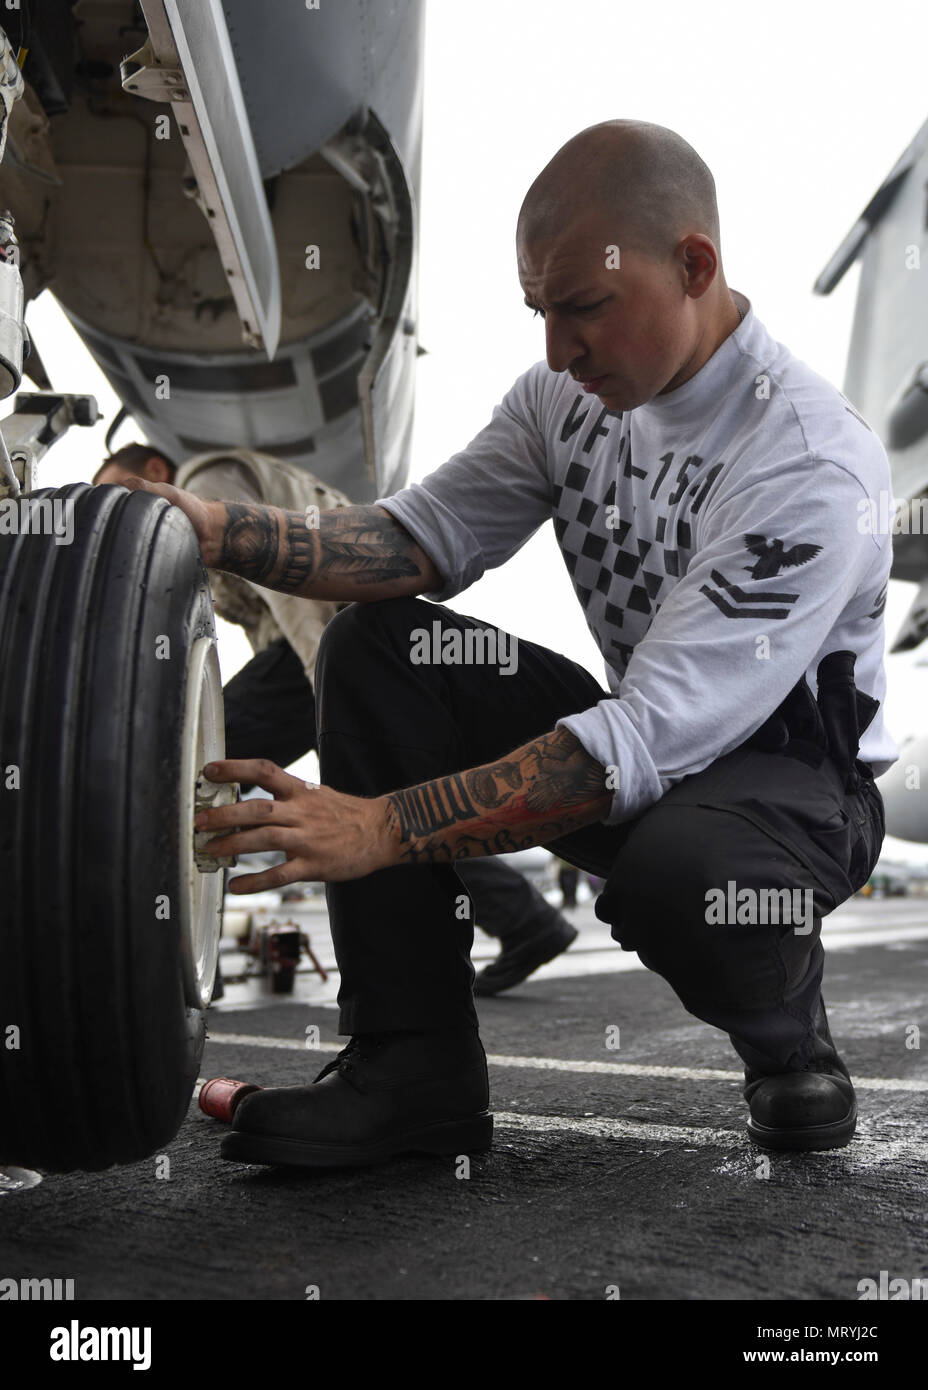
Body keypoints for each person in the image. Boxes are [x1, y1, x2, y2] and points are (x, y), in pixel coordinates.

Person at [122, 119, 896, 1170]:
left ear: (694, 265)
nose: (556, 350)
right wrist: (214, 531)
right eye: (539, 311)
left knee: (688, 871)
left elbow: (646, 735)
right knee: (372, 646)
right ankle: (413, 1070)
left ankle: (787, 1032)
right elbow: (406, 542)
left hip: (792, 788)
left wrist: (383, 824)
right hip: (642, 750)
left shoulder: (805, 463)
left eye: (583, 310)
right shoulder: (562, 401)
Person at [93, 445, 577, 995]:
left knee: (189, 767)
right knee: (379, 800)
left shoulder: (206, 476)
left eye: (119, 486)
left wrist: (329, 686)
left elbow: (288, 581)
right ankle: (525, 921)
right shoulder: (233, 476)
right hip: (324, 645)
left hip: (325, 640)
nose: (118, 504)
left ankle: (174, 956)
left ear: (155, 471)